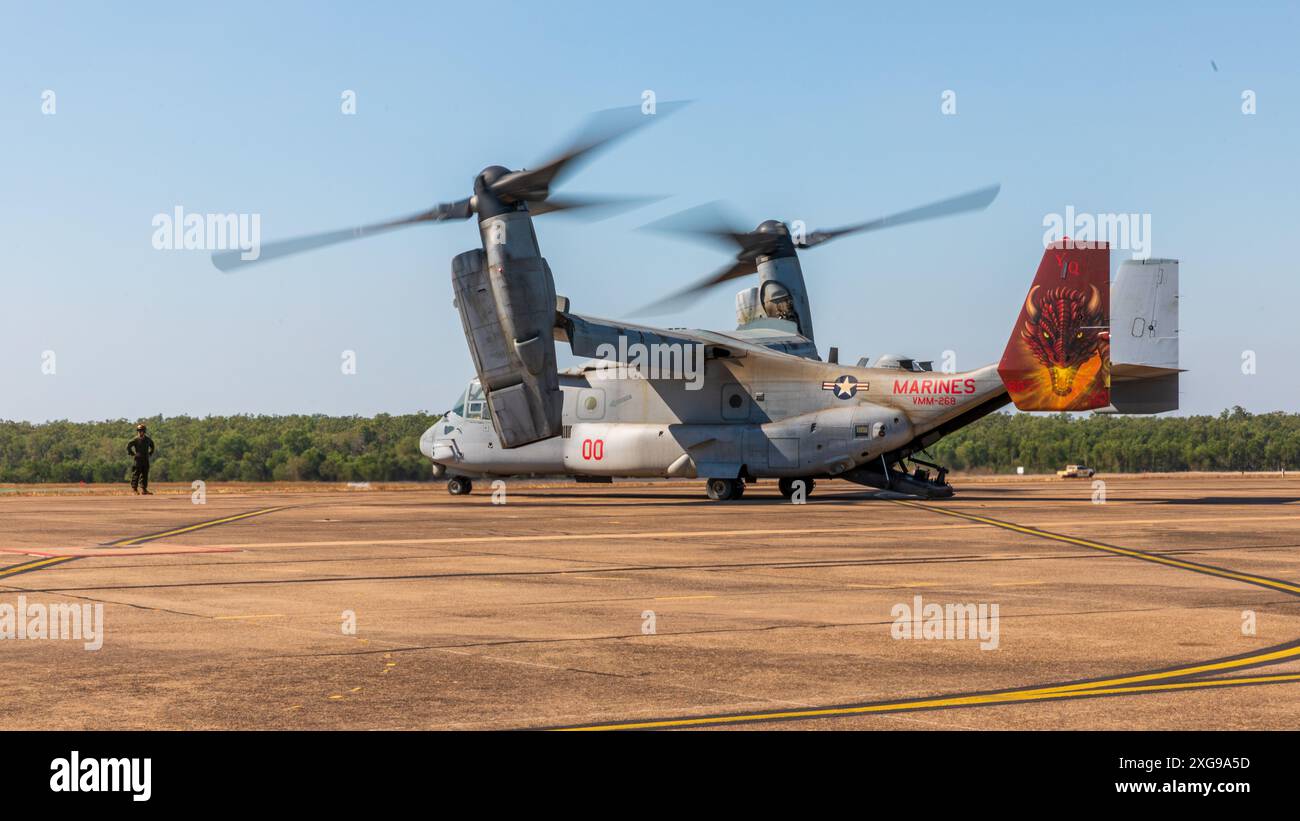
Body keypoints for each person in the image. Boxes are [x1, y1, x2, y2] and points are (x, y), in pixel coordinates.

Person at [127, 424, 156, 495]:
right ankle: (134, 490)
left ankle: (144, 489)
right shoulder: (135, 439)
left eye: (141, 431)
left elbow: (152, 446)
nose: (140, 432)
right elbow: (128, 446)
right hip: (138, 459)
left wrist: (150, 453)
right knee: (136, 474)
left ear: (144, 431)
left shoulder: (148, 439)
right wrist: (132, 453)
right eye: (139, 431)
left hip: (145, 459)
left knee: (145, 474)